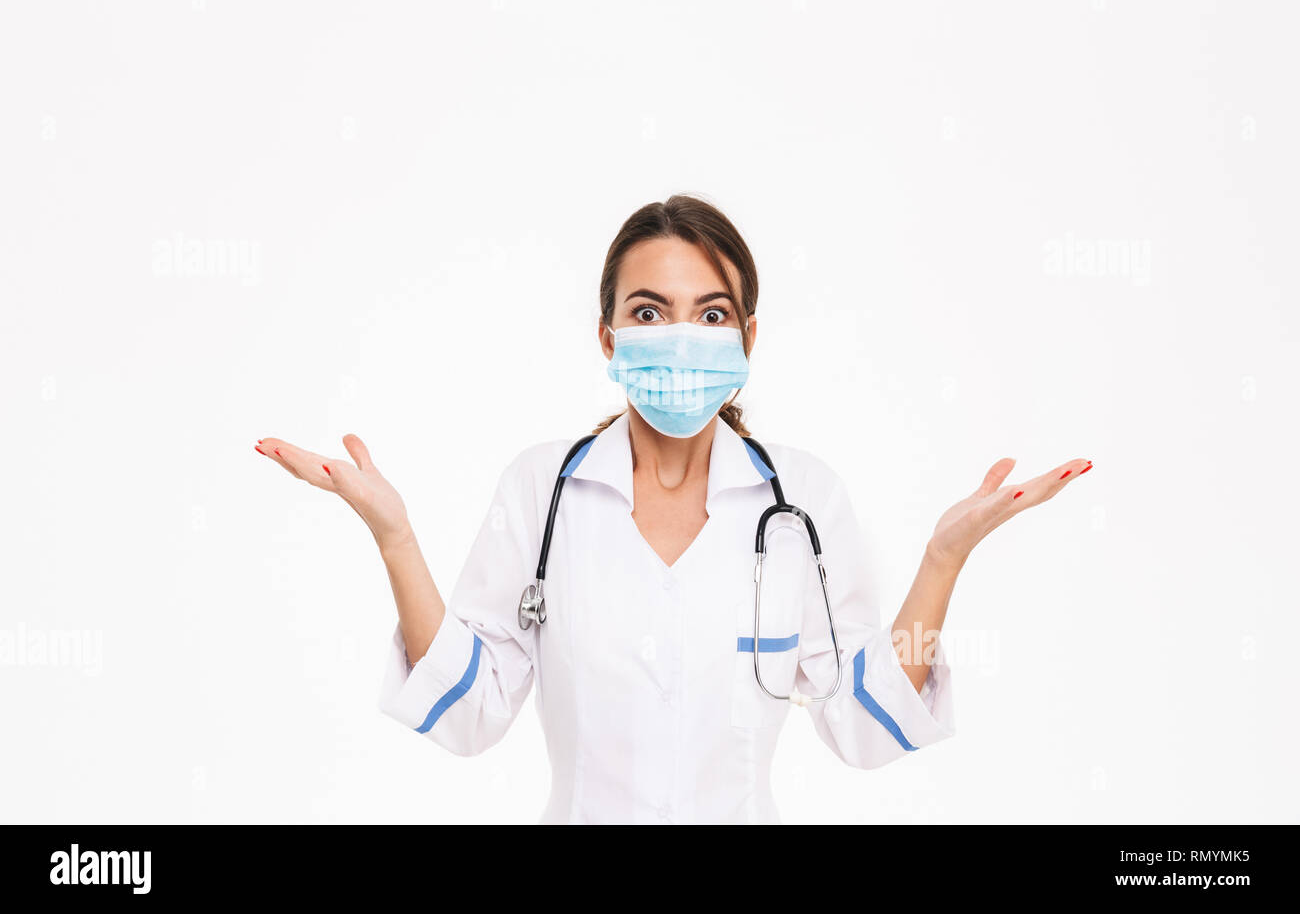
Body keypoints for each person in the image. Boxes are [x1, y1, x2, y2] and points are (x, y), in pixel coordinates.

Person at [255, 194, 1091, 823]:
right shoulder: (542, 489)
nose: (681, 337)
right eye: (649, 312)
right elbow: (469, 713)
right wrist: (395, 537)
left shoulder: (799, 501)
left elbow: (863, 724)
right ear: (609, 338)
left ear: (748, 340)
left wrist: (945, 559)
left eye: (712, 313)